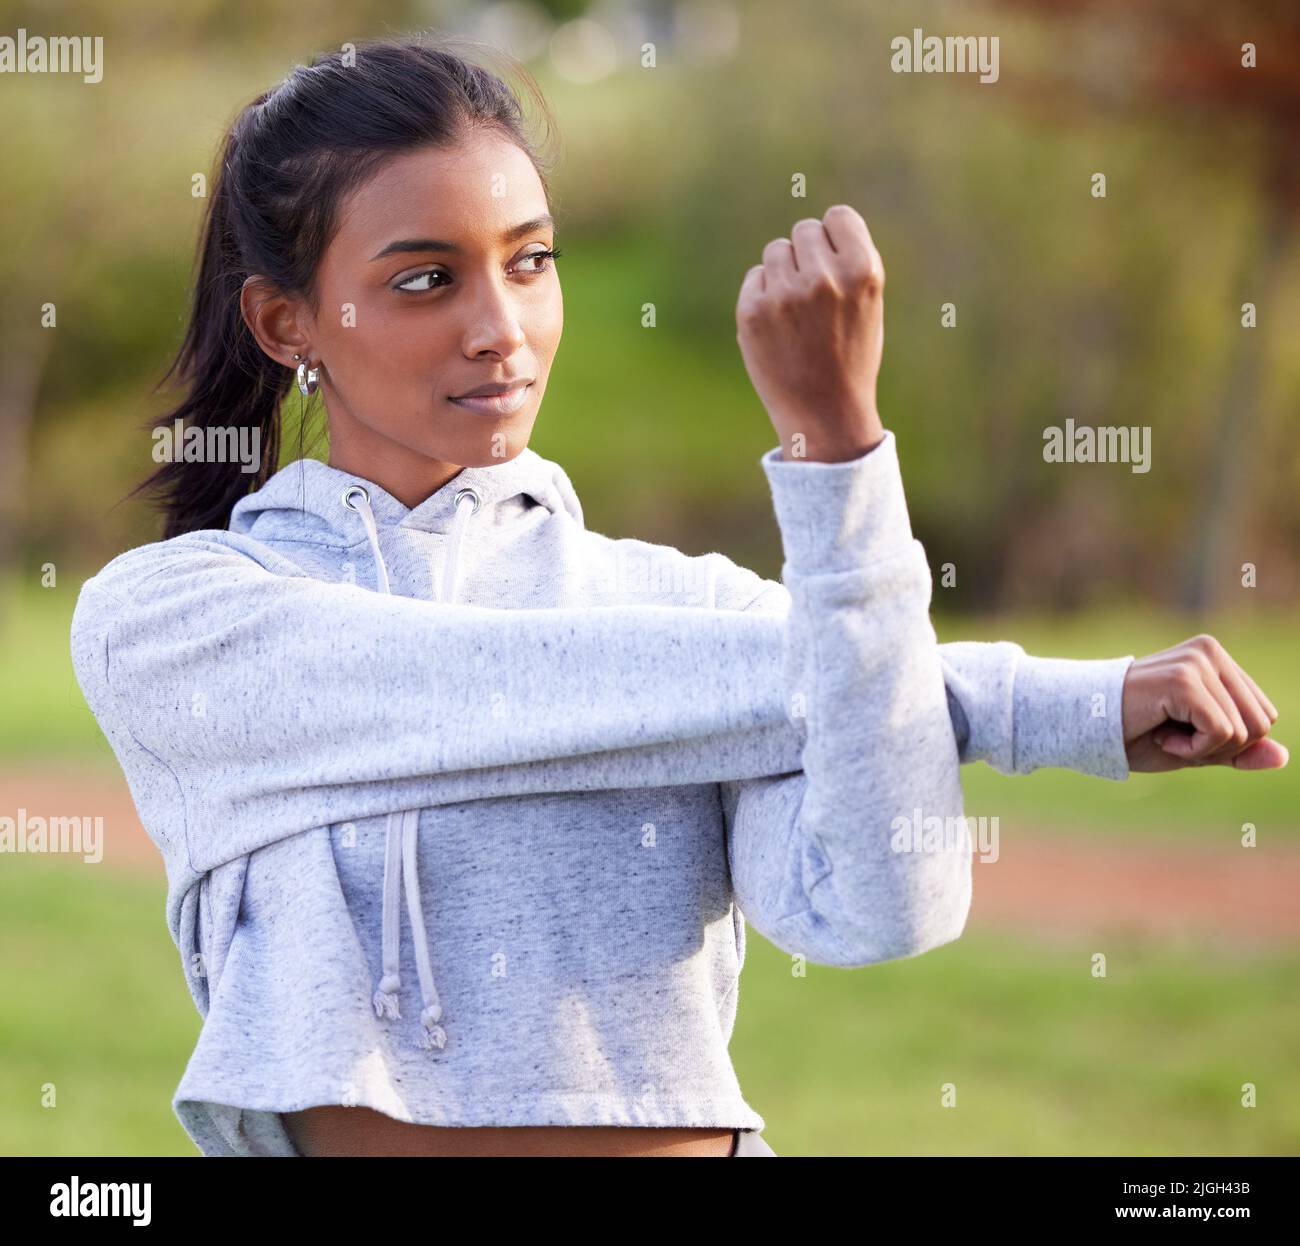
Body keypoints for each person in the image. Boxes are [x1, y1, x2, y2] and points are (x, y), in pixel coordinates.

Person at [69, 35, 1286, 1159]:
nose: (503, 329)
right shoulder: (179, 620)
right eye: (426, 279)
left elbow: (885, 907)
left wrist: (839, 452)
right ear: (288, 321)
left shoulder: (691, 612)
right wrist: (1025, 703)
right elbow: (497, 692)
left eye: (530, 261)